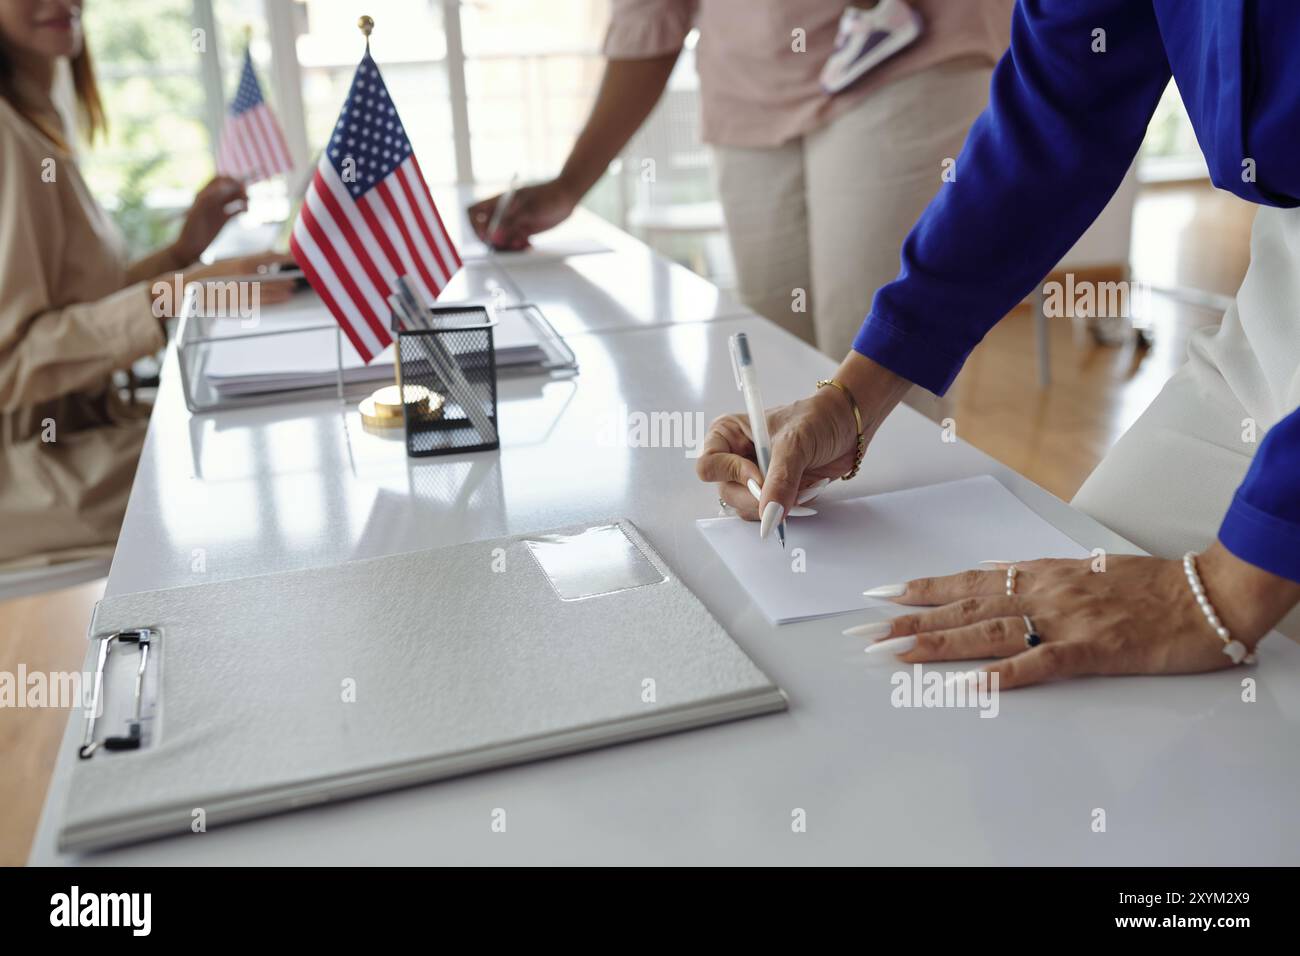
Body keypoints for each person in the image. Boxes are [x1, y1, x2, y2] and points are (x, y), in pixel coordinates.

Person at [696, 0, 1300, 688]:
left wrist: (1222, 592)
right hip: (1279, 285)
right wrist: (853, 396)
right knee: (1093, 585)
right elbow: (1062, 103)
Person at [468, 0, 1014, 362]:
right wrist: (570, 184)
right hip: (749, 83)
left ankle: (903, 529)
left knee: (873, 350)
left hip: (907, 46)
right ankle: (791, 531)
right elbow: (652, 14)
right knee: (773, 358)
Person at [0, 0, 292, 569]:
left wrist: (183, 253)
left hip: (81, 433)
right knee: (250, 463)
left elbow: (73, 306)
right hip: (29, 468)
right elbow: (11, 361)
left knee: (256, 437)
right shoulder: (7, 136)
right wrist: (172, 295)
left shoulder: (37, 115)